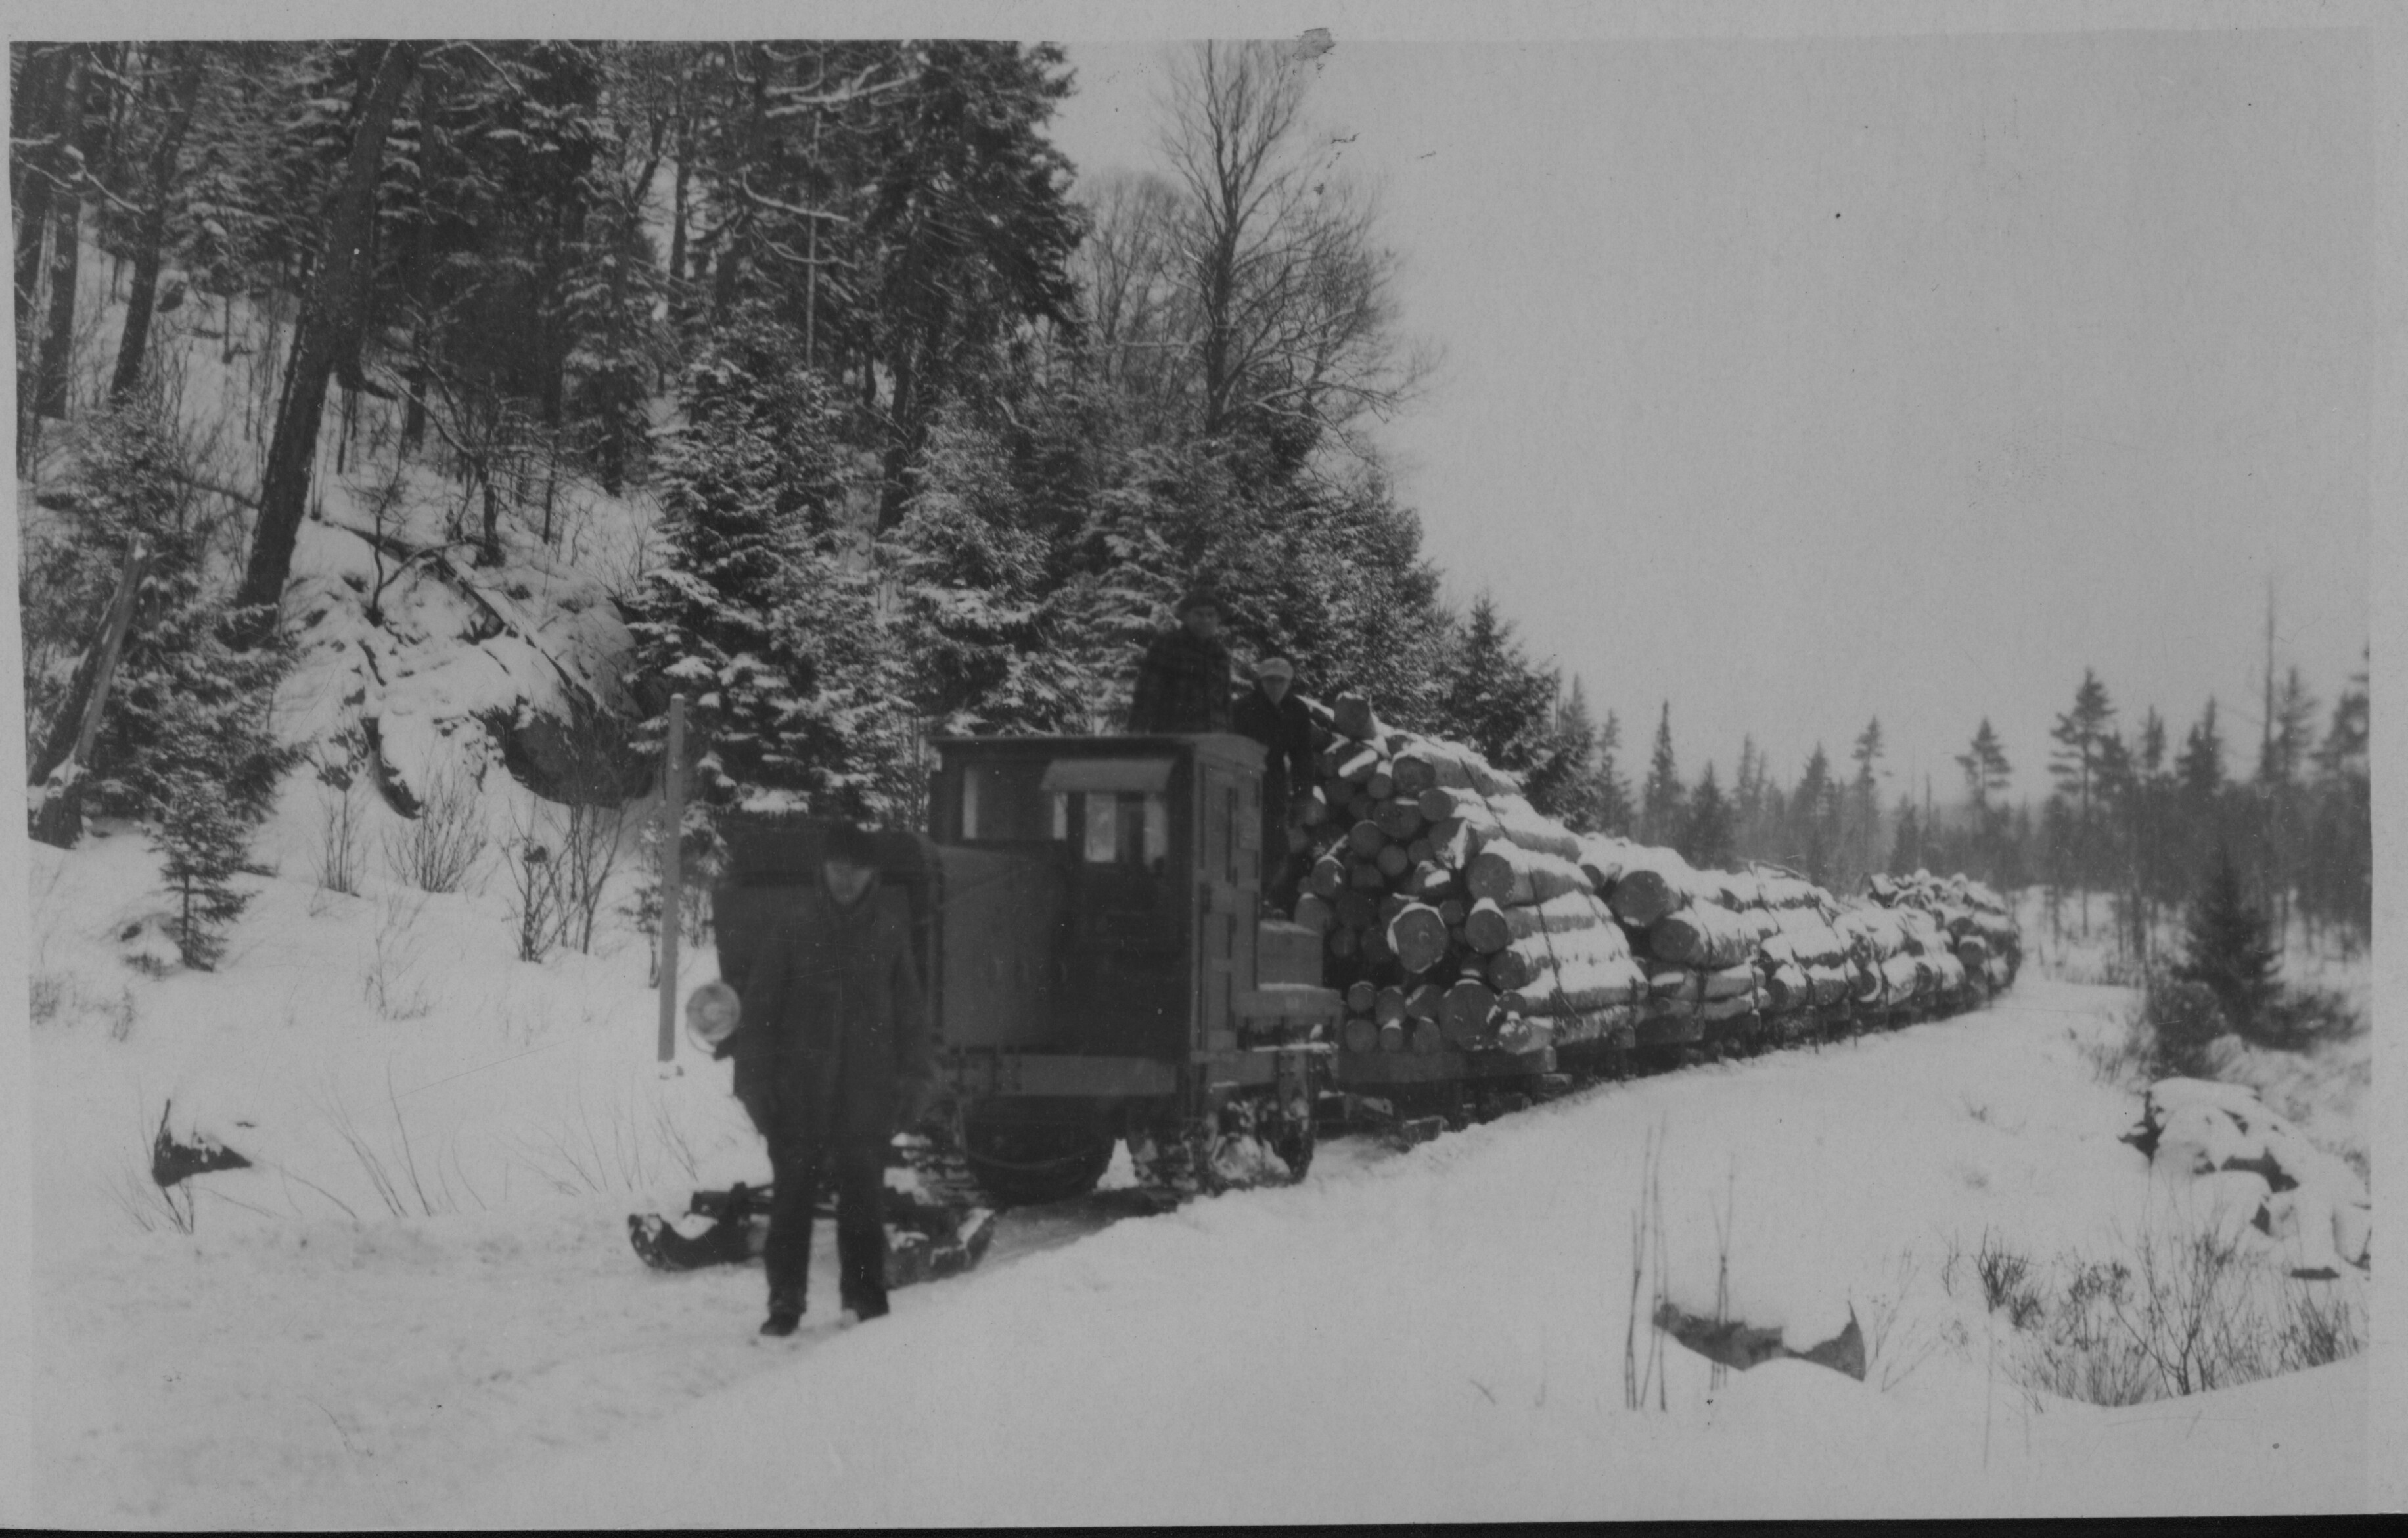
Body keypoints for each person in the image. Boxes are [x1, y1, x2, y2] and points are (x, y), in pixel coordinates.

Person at [723, 821, 934, 1335]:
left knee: (863, 1205)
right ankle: (785, 1306)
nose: (845, 880)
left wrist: (915, 1080)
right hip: (797, 1100)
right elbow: (759, 1016)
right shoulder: (792, 928)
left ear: (871, 876)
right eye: (837, 869)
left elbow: (910, 1016)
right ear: (823, 870)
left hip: (864, 1099)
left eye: (855, 871)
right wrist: (754, 1086)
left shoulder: (887, 933)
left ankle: (864, 1302)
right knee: (791, 1205)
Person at [1231, 654, 1317, 911]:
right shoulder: (1242, 708)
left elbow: (1303, 755)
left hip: (1274, 783)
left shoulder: (1297, 710)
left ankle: (1259, 898)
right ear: (1261, 682)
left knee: (1276, 847)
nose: (1276, 686)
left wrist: (1303, 796)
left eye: (1282, 681)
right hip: (1242, 781)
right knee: (1241, 842)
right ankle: (1241, 898)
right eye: (1270, 681)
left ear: (1289, 683)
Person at [1126, 583, 1235, 735]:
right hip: (1175, 739)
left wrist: (1229, 736)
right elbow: (1147, 692)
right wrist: (1136, 730)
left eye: (1211, 615)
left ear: (1218, 619)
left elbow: (1226, 703)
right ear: (1186, 616)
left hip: (1214, 742)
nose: (1205, 620)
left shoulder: (1220, 654)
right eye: (1199, 614)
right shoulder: (1168, 644)